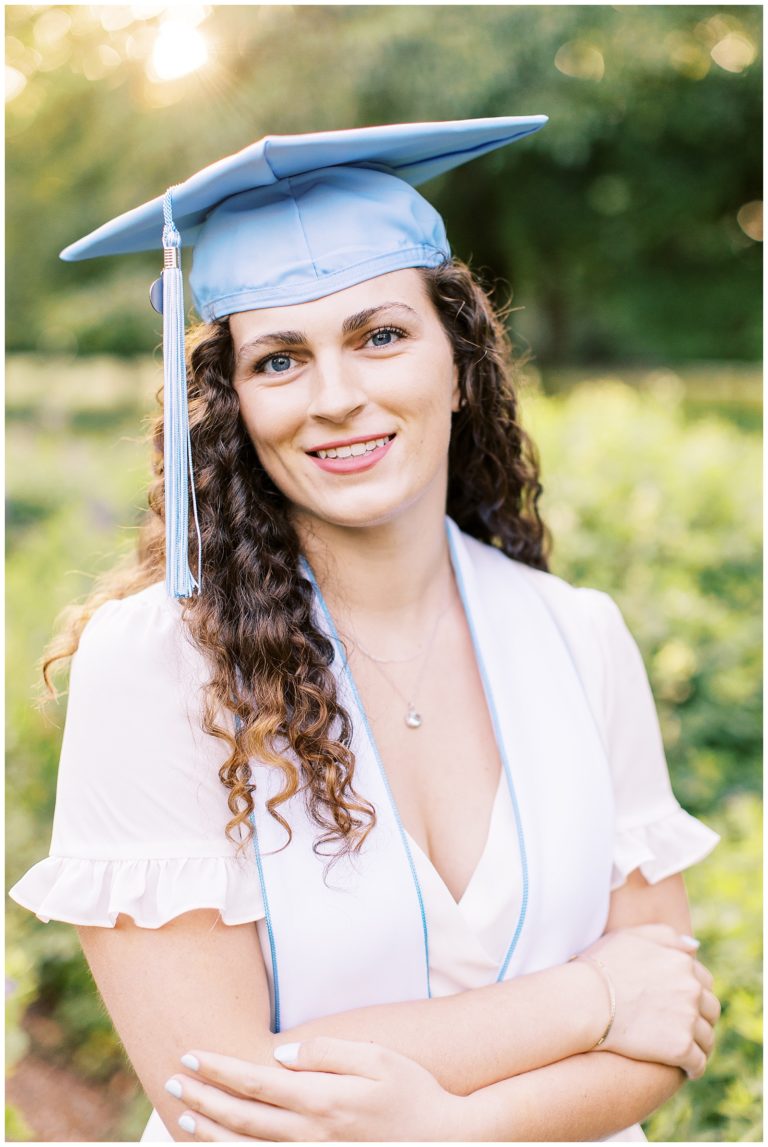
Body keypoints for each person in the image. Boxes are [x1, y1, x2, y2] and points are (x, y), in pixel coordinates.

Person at [10, 117, 721, 1143]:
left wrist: (453, 1126)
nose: (337, 398)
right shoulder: (159, 666)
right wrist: (589, 1000)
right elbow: (220, 1090)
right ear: (231, 404)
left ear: (458, 355)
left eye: (380, 335)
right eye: (280, 360)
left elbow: (671, 1019)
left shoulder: (579, 636)